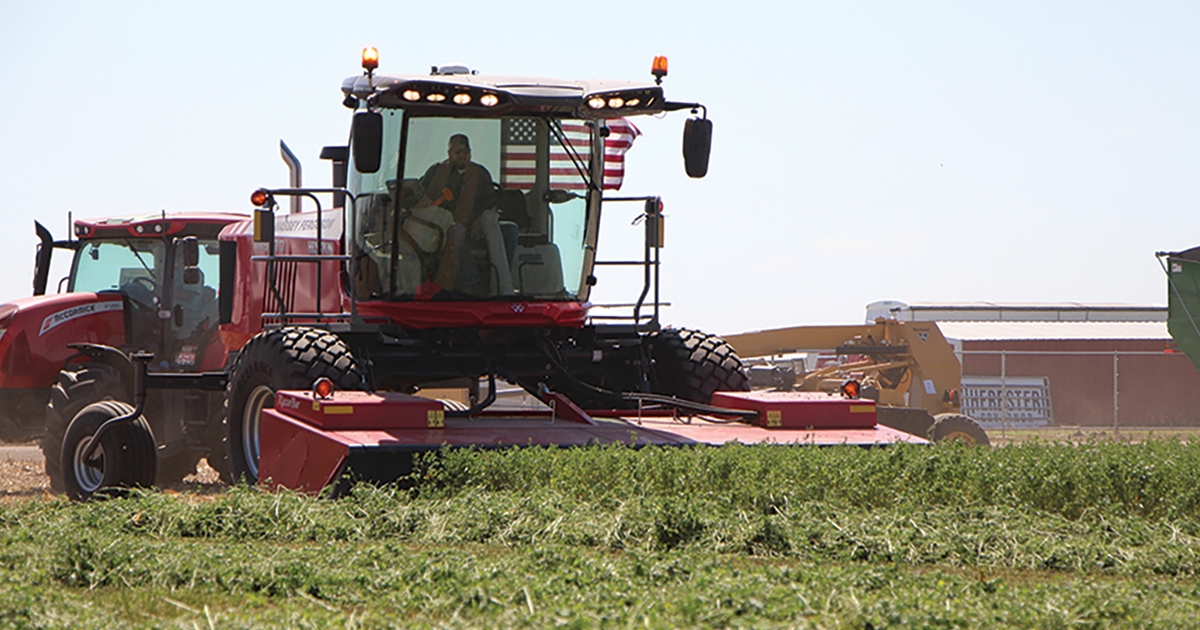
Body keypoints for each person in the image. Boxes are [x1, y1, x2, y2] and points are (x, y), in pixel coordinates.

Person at [418, 134, 514, 295]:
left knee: (510, 229)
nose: (463, 155)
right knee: (457, 230)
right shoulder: (436, 172)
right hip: (445, 225)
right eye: (458, 151)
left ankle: (502, 287)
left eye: (466, 151)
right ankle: (472, 285)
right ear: (449, 153)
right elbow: (420, 195)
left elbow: (491, 202)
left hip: (476, 224)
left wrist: (477, 221)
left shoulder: (480, 173)